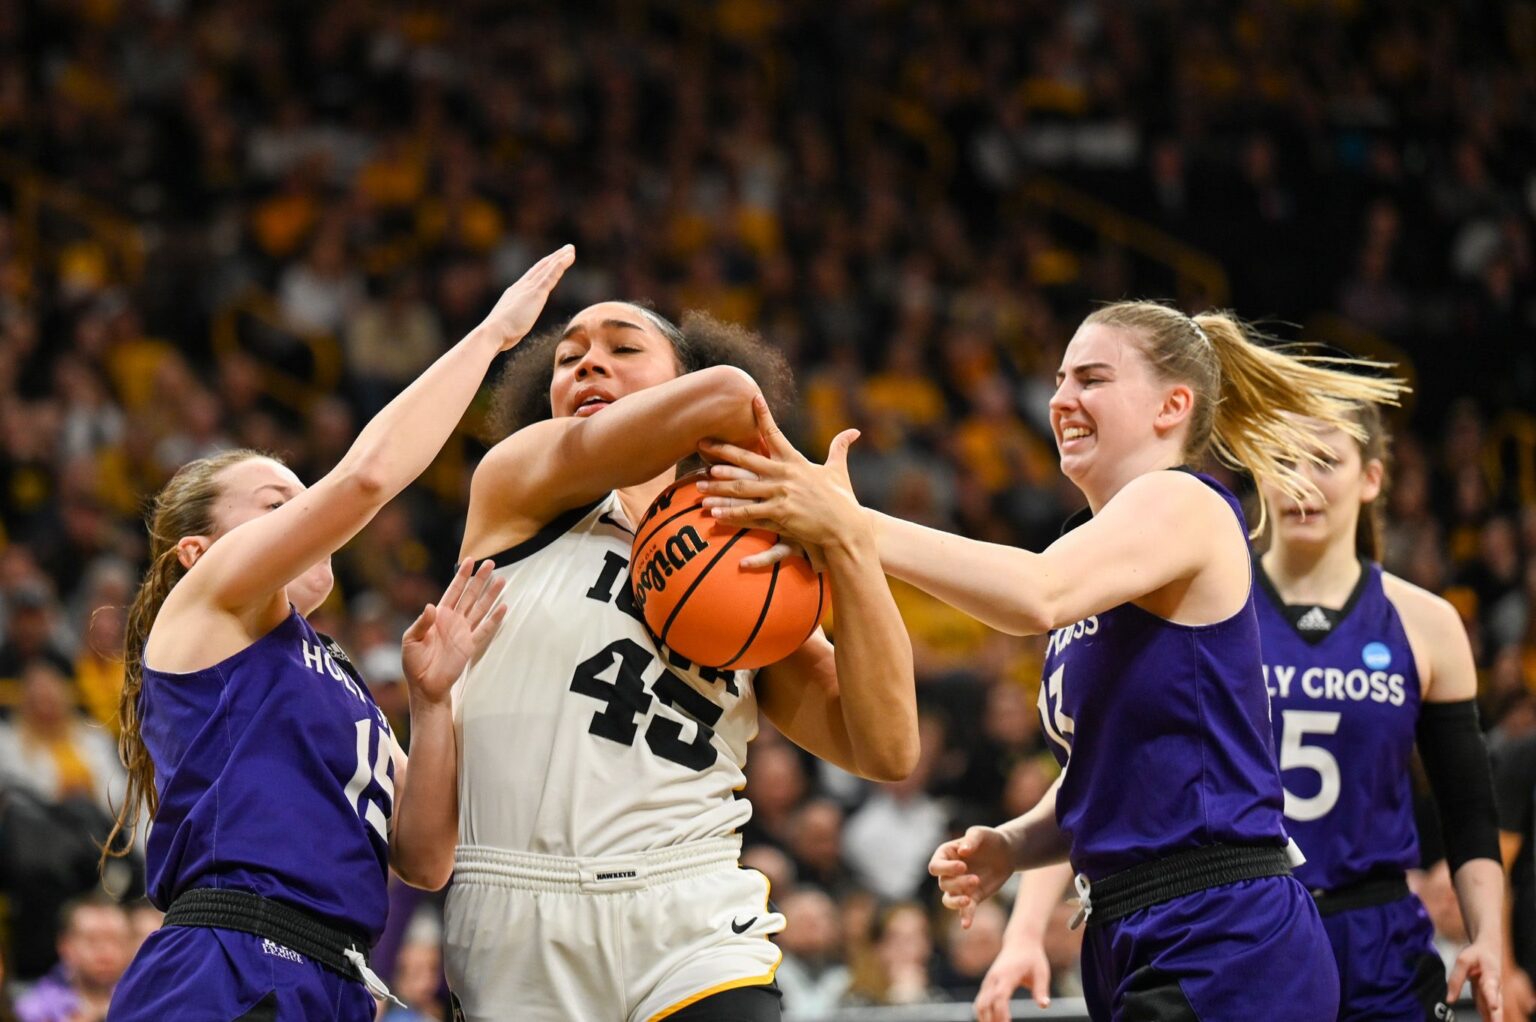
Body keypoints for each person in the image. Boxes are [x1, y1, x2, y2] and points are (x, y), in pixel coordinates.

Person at [700, 301, 1406, 1021]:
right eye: (1062, 379)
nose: (1062, 398)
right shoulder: (1099, 553)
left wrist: (849, 523)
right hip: (1131, 927)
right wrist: (1015, 844)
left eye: (1093, 379)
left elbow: (1035, 593)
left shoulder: (1184, 501)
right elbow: (1111, 774)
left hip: (1224, 930)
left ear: (1173, 405)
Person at [101, 246, 574, 1021]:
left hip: (338, 980)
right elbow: (365, 478)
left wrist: (430, 703)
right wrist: (491, 335)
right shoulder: (208, 606)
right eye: (276, 504)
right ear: (198, 551)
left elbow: (423, 859)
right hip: (229, 959)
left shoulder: (336, 676)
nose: (303, 516)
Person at [412, 301, 918, 1021]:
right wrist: (782, 469)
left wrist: (848, 543)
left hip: (693, 911)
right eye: (568, 357)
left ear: (680, 375)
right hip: (517, 911)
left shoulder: (751, 561)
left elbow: (888, 746)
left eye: (624, 348)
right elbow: (728, 395)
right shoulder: (518, 487)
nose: (589, 362)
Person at [969, 408, 1507, 1021]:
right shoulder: (1197, 584)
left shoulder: (1426, 623)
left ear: (1372, 479)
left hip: (1373, 933)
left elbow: (1469, 810)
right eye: (1283, 460)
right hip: (1236, 923)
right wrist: (1025, 929)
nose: (1301, 480)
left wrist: (1492, 939)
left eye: (1326, 461)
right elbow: (1100, 774)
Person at [15, 893, 131, 1022]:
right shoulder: (35, 1009)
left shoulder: (139, 1001)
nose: (105, 950)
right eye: (92, 940)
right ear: (65, 945)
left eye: (115, 940)